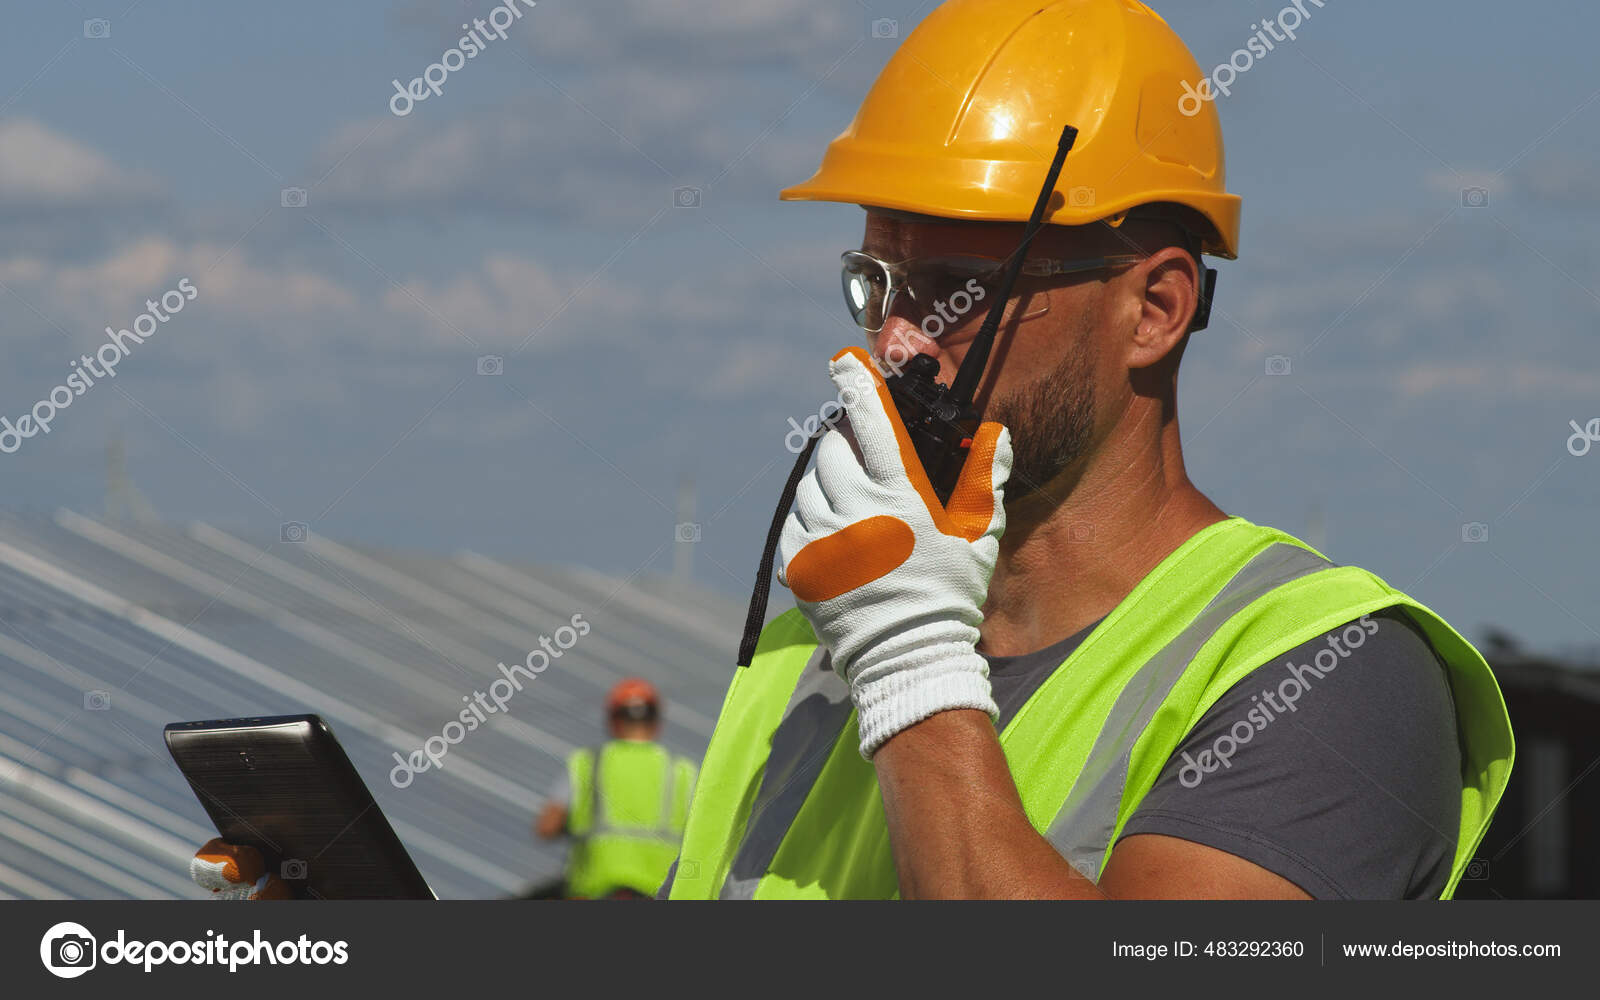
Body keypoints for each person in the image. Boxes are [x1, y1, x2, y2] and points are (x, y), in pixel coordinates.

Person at [658, 0, 1513, 900]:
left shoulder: (1324, 676)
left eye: (958, 288)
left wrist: (914, 672)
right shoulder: (805, 664)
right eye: (878, 283)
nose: (900, 341)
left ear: (1154, 312)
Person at [535, 678, 696, 899]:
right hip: (657, 894)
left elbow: (547, 826)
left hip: (593, 892)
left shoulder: (587, 763)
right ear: (657, 723)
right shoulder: (683, 771)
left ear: (612, 720)